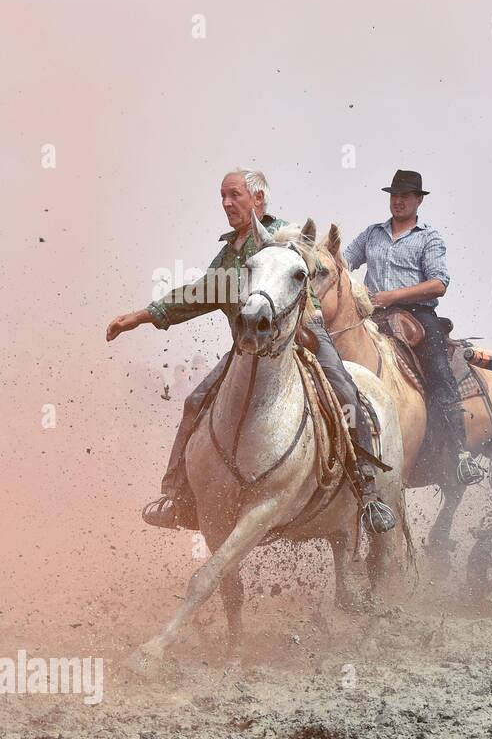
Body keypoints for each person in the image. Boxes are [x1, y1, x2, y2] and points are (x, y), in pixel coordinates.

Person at [106, 168, 396, 532]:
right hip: (248, 348)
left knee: (346, 391)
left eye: (234, 195)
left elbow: (313, 283)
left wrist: (308, 323)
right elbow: (199, 293)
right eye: (223, 197)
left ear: (258, 199)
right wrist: (143, 316)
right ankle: (177, 496)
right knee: (195, 401)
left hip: (301, 335)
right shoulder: (230, 255)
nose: (227, 204)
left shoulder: (287, 238)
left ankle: (367, 489)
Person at [343, 169, 485, 485]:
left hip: (418, 317)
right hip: (371, 316)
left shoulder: (428, 237)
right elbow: (342, 261)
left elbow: (439, 283)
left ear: (418, 200)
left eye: (405, 196)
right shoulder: (371, 233)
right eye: (394, 195)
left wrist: (392, 296)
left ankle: (460, 453)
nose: (398, 201)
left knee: (438, 371)